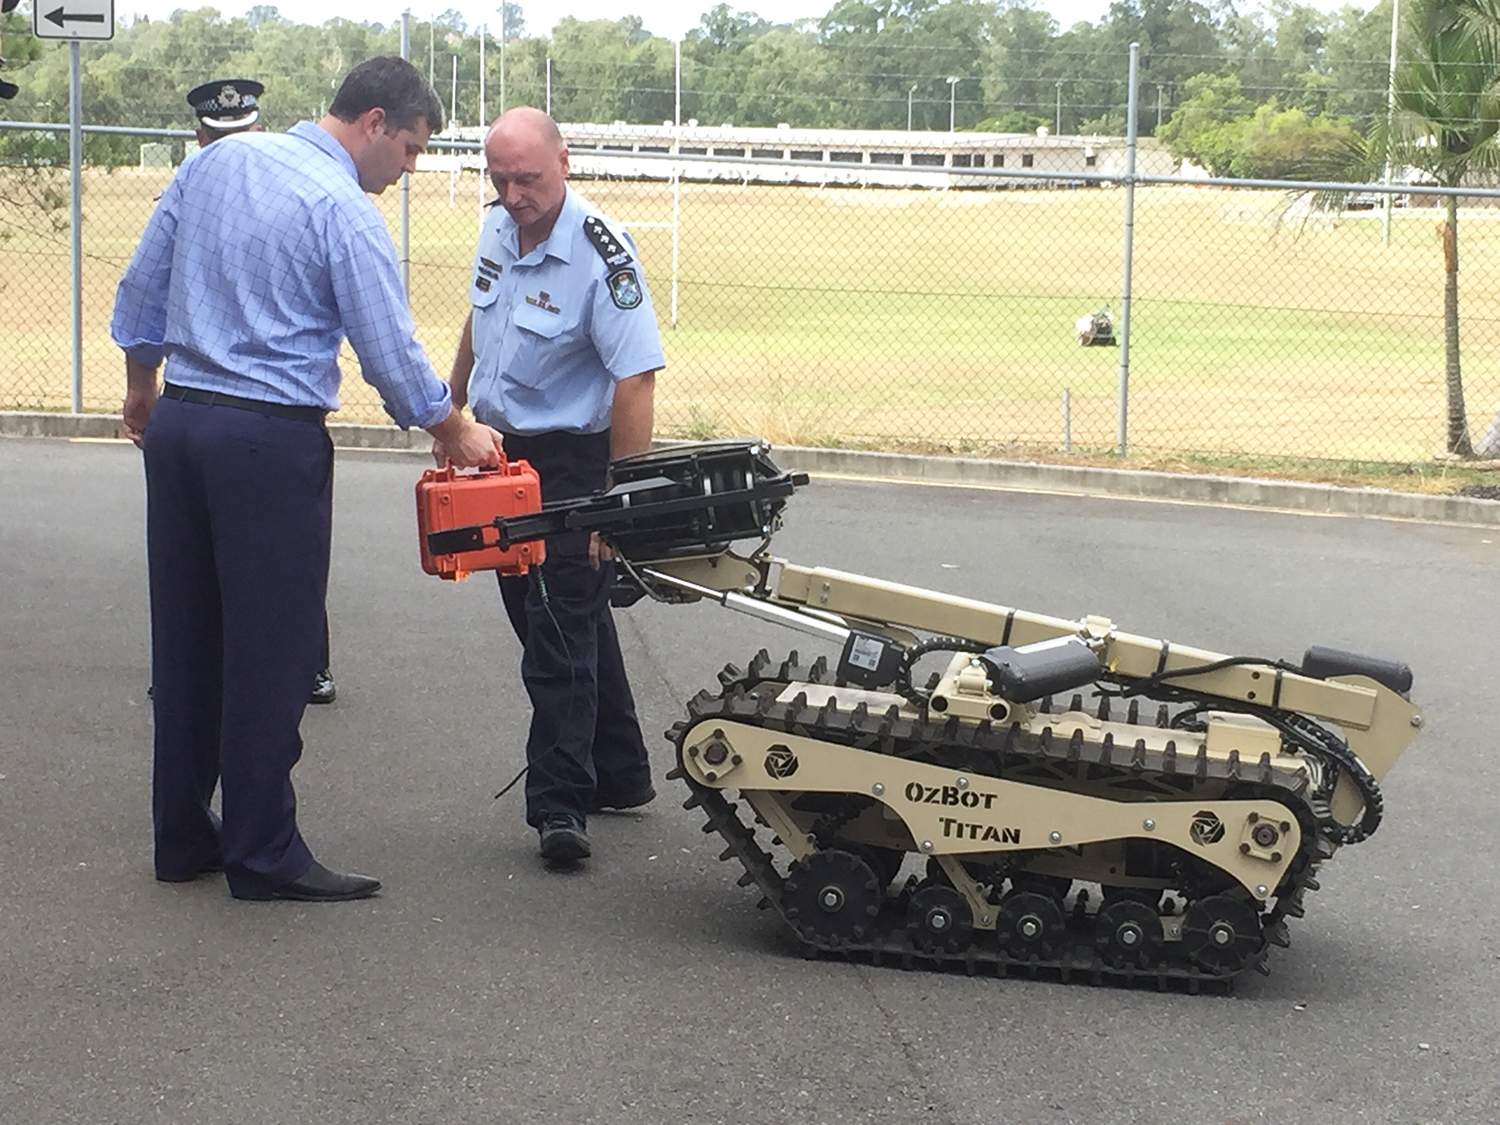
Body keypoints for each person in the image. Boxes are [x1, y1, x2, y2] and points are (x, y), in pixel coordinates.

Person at [112, 57, 506, 903]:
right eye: (409, 149)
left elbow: (144, 284)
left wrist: (142, 387)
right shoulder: (341, 206)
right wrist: (454, 428)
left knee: (186, 639)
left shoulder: (217, 161)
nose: (408, 169)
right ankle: (262, 851)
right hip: (267, 439)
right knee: (273, 649)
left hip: (182, 422)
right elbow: (388, 351)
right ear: (373, 122)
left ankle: (182, 835)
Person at [441, 107, 663, 868]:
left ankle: (560, 805)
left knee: (558, 628)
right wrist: (451, 406)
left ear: (564, 162)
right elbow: (480, 317)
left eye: (528, 179)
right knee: (558, 616)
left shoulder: (602, 255)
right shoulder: (498, 227)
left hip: (572, 462)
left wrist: (617, 501)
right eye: (500, 179)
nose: (513, 195)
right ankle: (621, 768)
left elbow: (636, 378)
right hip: (502, 455)